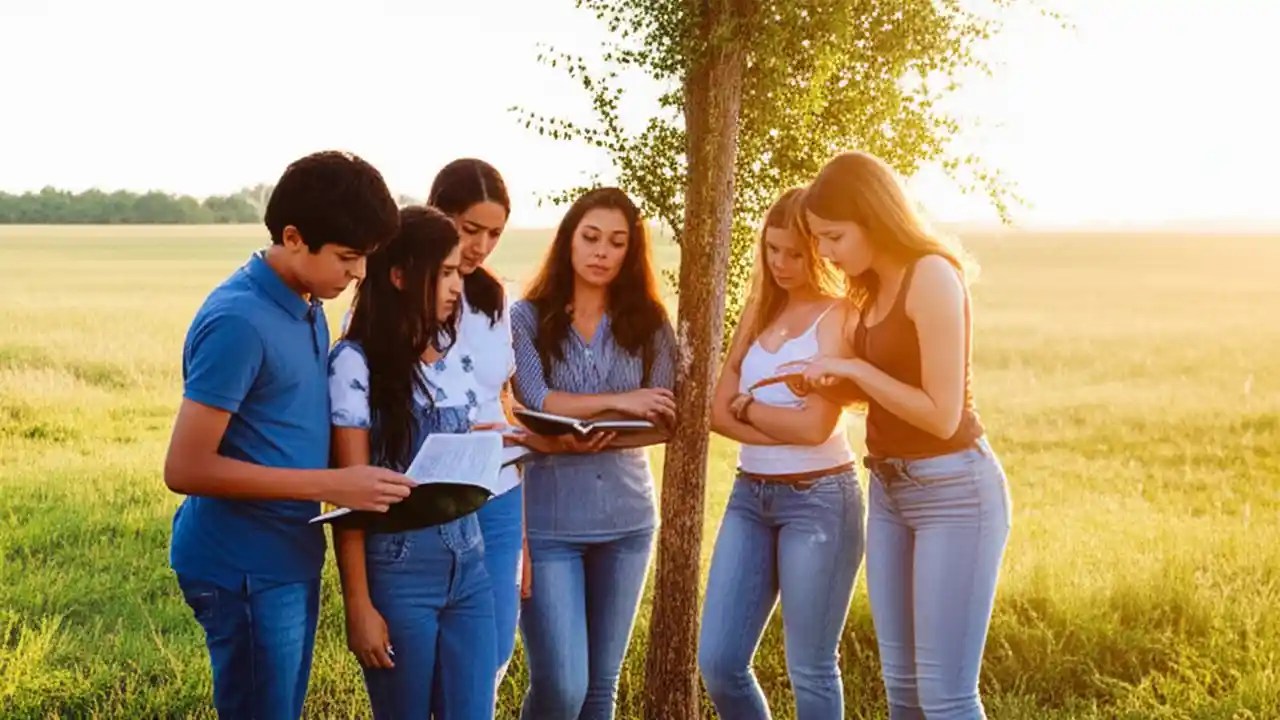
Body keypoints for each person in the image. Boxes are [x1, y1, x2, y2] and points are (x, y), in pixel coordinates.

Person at [163, 150, 414, 719]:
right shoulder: (239, 320)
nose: (360, 274)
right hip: (243, 566)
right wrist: (332, 484)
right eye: (348, 258)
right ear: (294, 238)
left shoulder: (306, 304)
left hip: (286, 555)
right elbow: (184, 468)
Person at [783, 151, 1013, 720]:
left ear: (872, 216)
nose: (828, 253)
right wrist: (829, 385)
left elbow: (940, 415)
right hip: (890, 491)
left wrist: (855, 369)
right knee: (904, 694)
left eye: (834, 237)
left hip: (954, 492)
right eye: (821, 240)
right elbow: (886, 399)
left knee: (946, 696)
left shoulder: (931, 276)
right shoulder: (869, 289)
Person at [509, 187, 678, 720]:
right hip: (550, 524)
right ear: (569, 240)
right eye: (591, 237)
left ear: (631, 252)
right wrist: (619, 400)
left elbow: (663, 414)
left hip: (628, 522)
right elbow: (534, 400)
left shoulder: (649, 321)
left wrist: (586, 417)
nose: (602, 251)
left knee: (601, 689)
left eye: (617, 242)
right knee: (561, 688)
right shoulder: (528, 318)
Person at [700, 187, 866, 719]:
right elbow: (715, 411)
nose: (782, 263)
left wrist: (750, 410)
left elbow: (817, 426)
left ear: (818, 250)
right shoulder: (759, 309)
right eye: (773, 249)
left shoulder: (837, 317)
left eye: (795, 252)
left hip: (820, 500)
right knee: (720, 662)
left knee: (811, 667)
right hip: (751, 495)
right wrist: (778, 422)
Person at [329, 205, 497, 719]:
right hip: (400, 573)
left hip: (470, 565)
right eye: (444, 273)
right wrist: (358, 605)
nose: (456, 286)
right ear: (400, 276)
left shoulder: (452, 351)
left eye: (456, 273)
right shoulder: (355, 363)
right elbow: (347, 494)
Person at [425, 158, 524, 682]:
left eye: (494, 234)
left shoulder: (494, 298)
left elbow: (502, 397)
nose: (482, 246)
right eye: (470, 230)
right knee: (434, 656)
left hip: (500, 492)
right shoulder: (390, 293)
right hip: (428, 494)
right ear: (438, 215)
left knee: (492, 653)